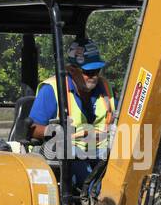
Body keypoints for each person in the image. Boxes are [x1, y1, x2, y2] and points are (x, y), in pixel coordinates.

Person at [28, 40, 115, 190]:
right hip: (67, 155)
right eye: (88, 72)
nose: (93, 76)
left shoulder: (105, 88)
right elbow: (32, 128)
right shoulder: (52, 90)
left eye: (97, 71)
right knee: (90, 181)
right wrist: (54, 131)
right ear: (72, 70)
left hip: (100, 152)